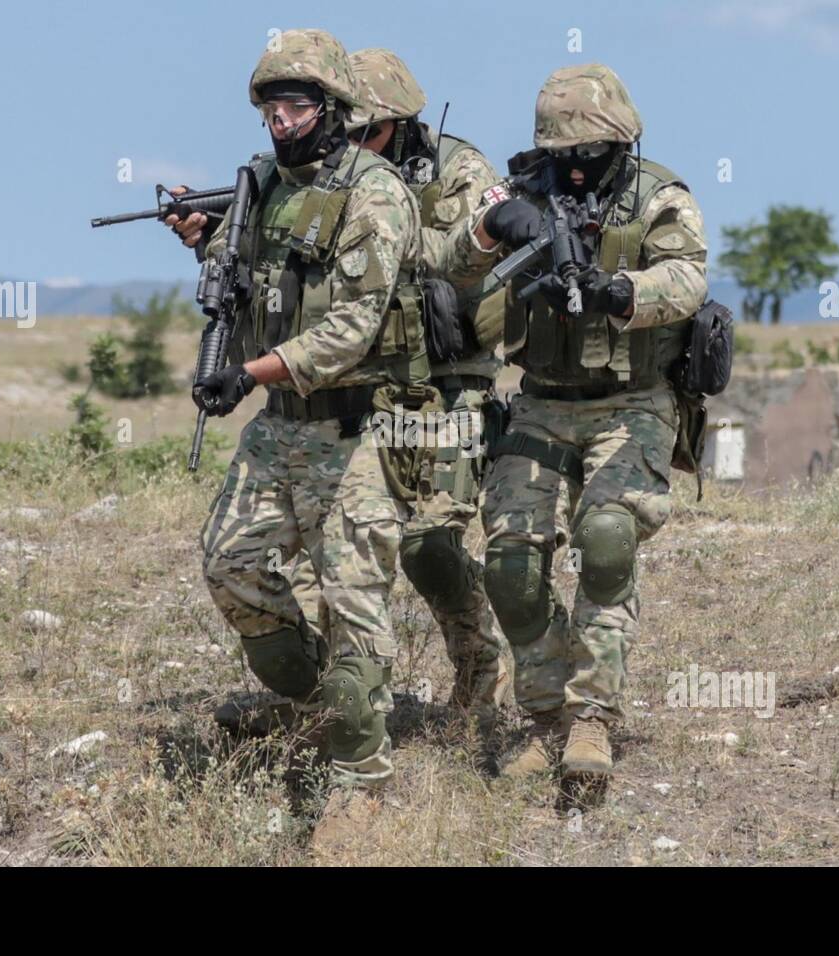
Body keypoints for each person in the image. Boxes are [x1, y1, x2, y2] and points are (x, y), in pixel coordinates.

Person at [186, 28, 427, 842]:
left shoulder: (378, 192)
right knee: (231, 567)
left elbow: (355, 328)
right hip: (280, 427)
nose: (280, 122)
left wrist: (248, 374)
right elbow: (242, 272)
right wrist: (200, 241)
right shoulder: (258, 184)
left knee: (354, 603)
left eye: (295, 105)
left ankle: (361, 783)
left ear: (332, 108)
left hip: (360, 428)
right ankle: (313, 706)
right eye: (269, 108)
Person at [438, 63, 709, 788]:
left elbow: (688, 280)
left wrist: (621, 289)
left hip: (633, 399)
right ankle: (543, 717)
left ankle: (594, 717)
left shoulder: (661, 196)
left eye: (591, 155)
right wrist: (494, 225)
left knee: (608, 538)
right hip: (540, 400)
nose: (578, 170)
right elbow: (444, 262)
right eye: (564, 156)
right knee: (512, 568)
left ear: (621, 143)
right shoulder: (525, 189)